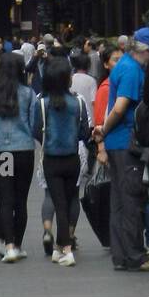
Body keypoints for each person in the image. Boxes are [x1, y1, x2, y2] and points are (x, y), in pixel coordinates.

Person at [94, 37, 149, 272]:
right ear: (142, 51)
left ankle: (121, 255)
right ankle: (136, 255)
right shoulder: (132, 70)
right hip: (126, 141)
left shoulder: (124, 65)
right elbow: (120, 106)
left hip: (118, 142)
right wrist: (104, 130)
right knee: (132, 199)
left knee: (119, 201)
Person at [0, 51, 42, 263]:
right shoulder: (28, 94)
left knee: (5, 198)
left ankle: (8, 245)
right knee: (21, 200)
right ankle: (18, 245)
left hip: (2, 153)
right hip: (24, 152)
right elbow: (34, 125)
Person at [38, 55, 90, 267]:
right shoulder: (77, 102)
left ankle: (66, 250)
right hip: (72, 158)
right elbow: (84, 132)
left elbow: (35, 129)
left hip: (51, 159)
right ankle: (61, 248)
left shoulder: (42, 103)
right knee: (69, 200)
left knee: (58, 202)